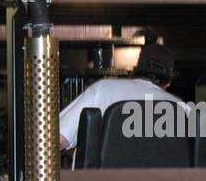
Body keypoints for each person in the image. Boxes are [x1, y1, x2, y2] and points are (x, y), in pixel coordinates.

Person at [58, 43, 188, 149]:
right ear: (169, 81)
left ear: (137, 70)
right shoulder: (183, 110)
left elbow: (56, 140)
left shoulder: (102, 89)